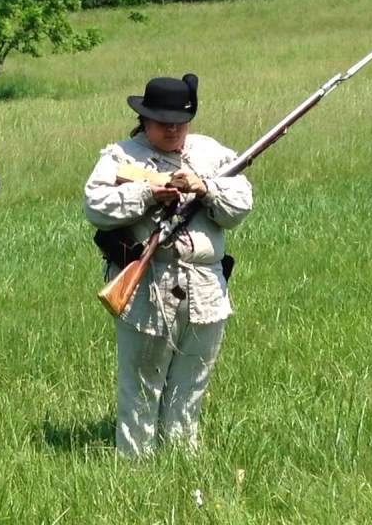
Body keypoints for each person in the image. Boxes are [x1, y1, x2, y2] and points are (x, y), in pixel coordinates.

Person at [84, 74, 253, 457]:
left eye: (180, 119)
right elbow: (95, 206)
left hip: (205, 284)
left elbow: (240, 205)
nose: (173, 127)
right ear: (145, 120)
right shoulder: (121, 156)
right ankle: (135, 465)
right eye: (163, 120)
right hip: (148, 281)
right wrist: (147, 193)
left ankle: (181, 458)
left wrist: (205, 188)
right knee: (141, 385)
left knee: (192, 383)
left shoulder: (212, 153)